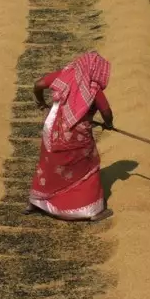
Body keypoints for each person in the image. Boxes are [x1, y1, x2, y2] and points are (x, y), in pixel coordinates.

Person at [23, 51, 114, 222]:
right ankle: (91, 211)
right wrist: (109, 124)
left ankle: (36, 202)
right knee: (87, 166)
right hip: (76, 135)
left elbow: (38, 84)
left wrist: (41, 103)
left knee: (49, 164)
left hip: (52, 128)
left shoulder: (64, 75)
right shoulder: (93, 88)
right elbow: (106, 112)